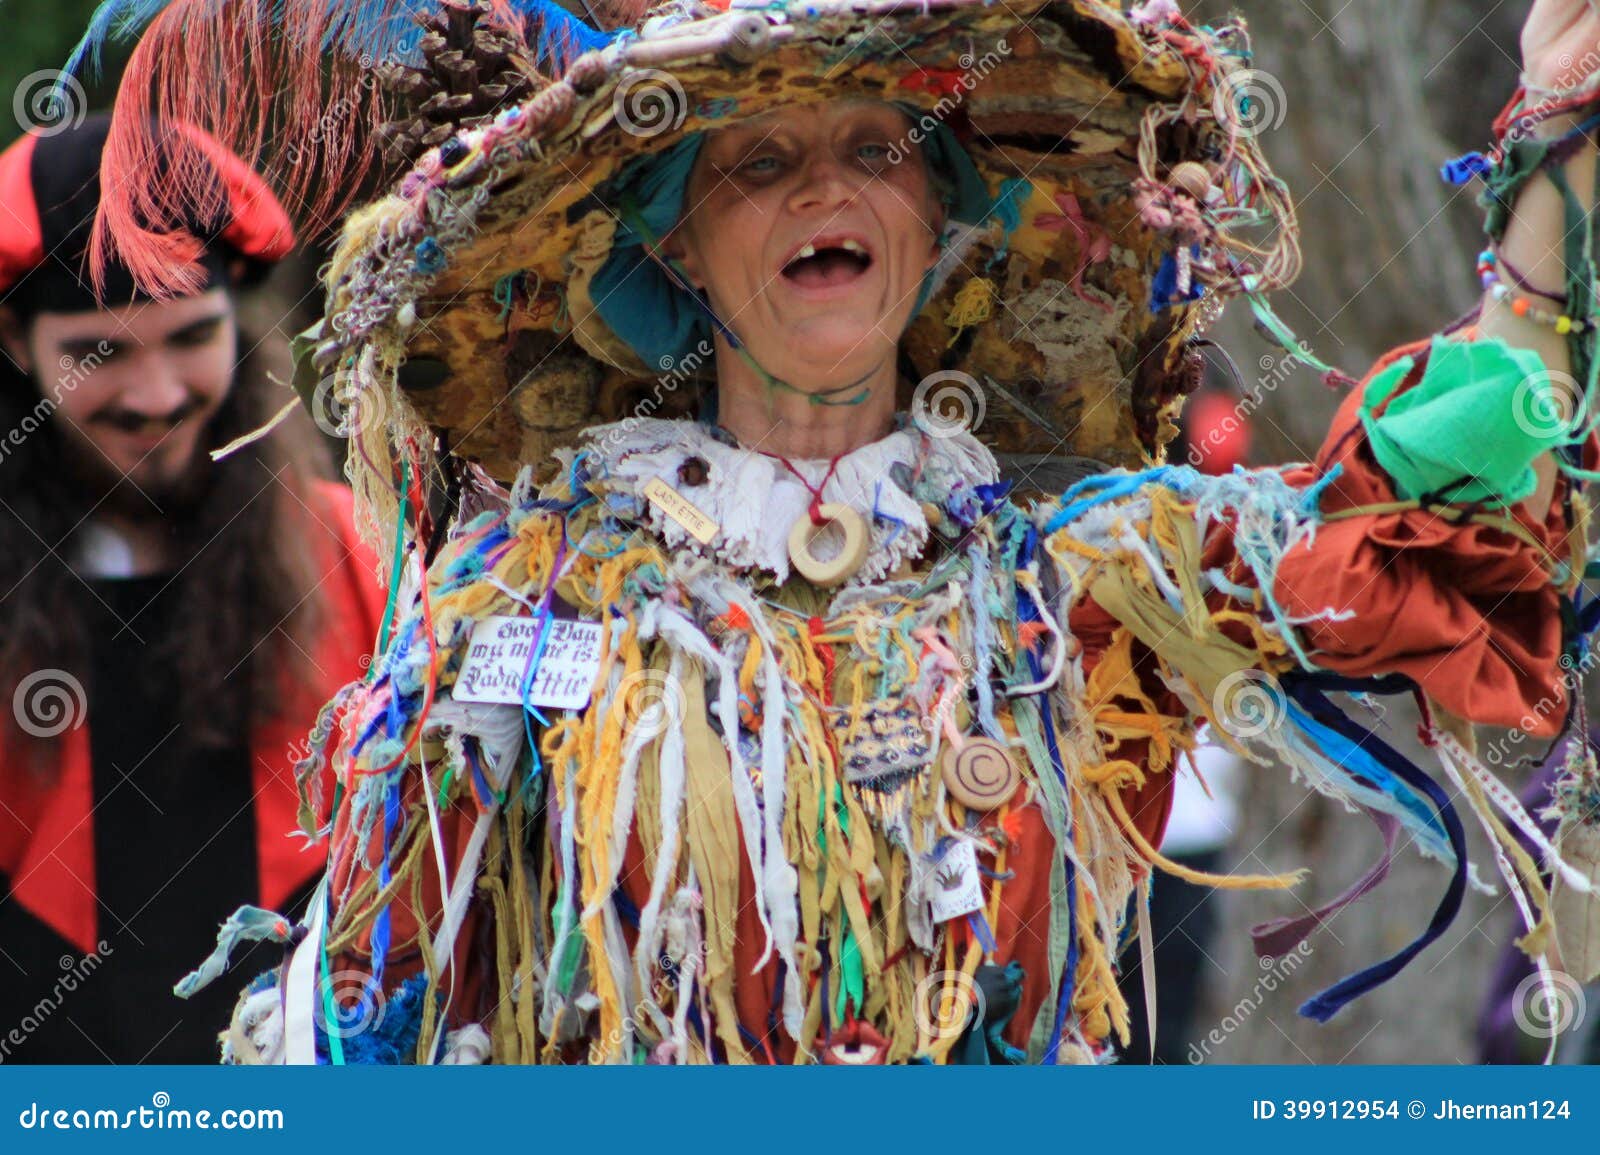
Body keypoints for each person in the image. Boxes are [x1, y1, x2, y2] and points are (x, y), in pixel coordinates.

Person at [77, 0, 1600, 1064]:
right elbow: (384, 1010)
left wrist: (1551, 175)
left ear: (942, 232)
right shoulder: (522, 603)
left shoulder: (1080, 580)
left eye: (879, 147)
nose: (831, 184)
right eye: (760, 159)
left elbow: (1423, 559)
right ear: (674, 244)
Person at [0, 115, 385, 1062]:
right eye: (103, 353)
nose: (159, 393)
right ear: (16, 343)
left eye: (191, 338)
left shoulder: (359, 549)